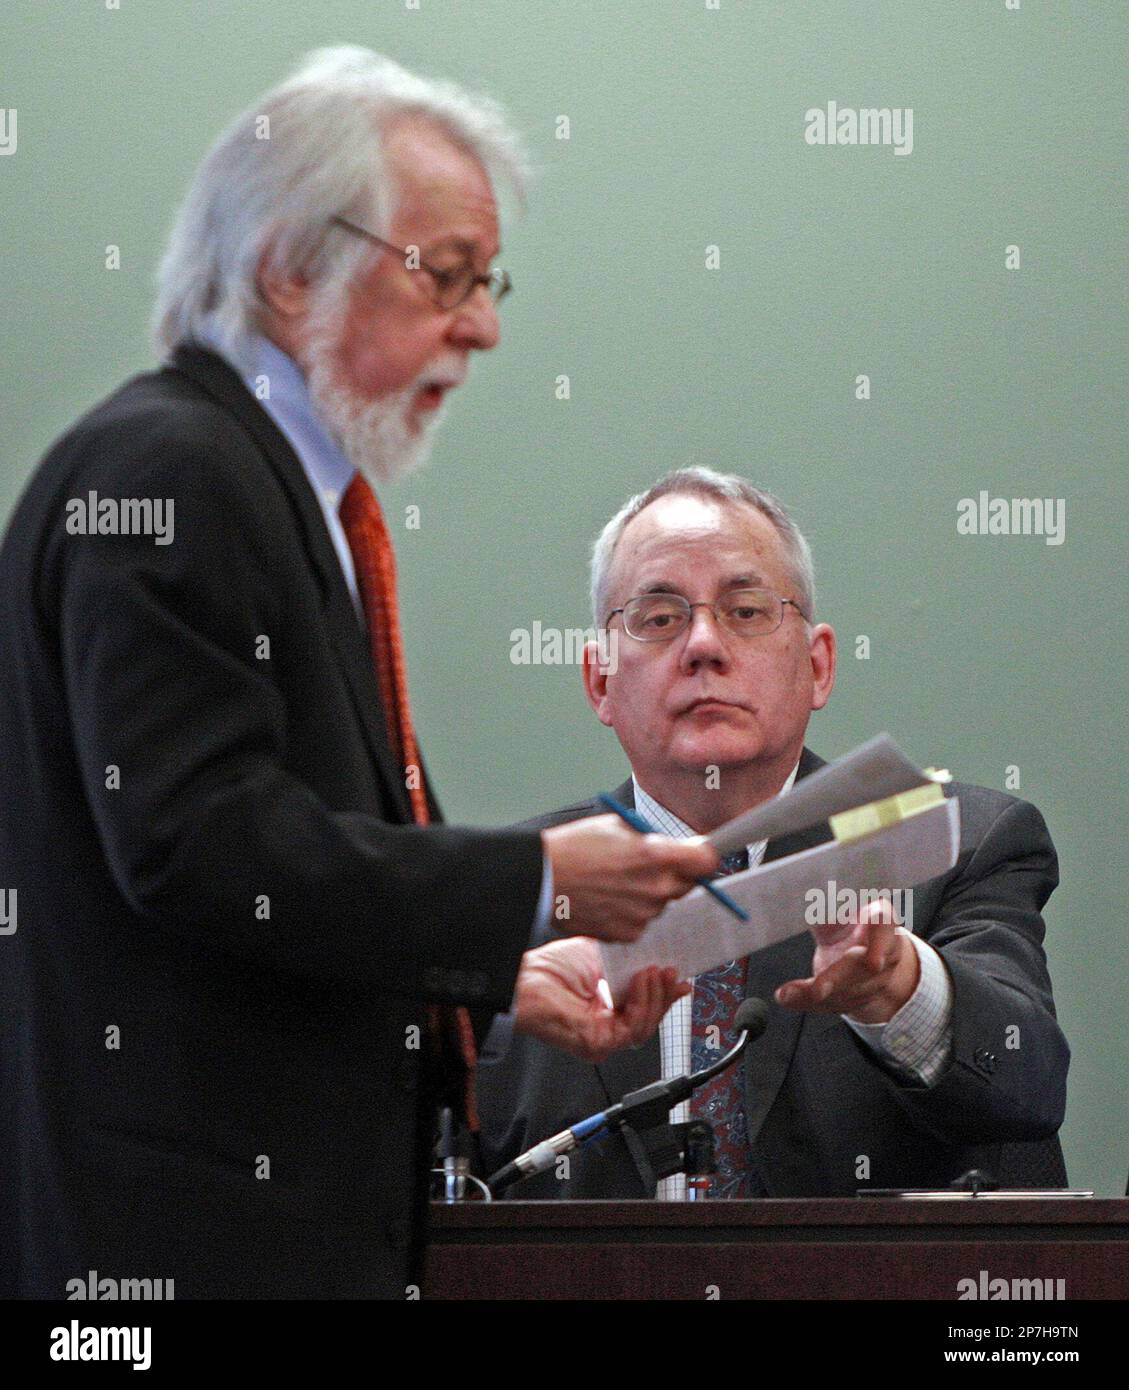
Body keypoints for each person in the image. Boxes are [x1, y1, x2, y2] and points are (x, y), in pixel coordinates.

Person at [0, 49, 716, 1298]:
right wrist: (532, 882)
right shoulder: (172, 471)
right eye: (443, 274)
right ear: (288, 268)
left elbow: (278, 876)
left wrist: (491, 976)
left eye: (485, 281)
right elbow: (195, 841)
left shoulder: (271, 485)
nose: (484, 325)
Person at [477, 468, 1070, 1199]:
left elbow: (1030, 1084)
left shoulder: (952, 843)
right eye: (658, 618)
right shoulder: (517, 892)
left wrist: (897, 987)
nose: (702, 645)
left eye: (747, 611)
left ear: (817, 666)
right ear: (599, 680)